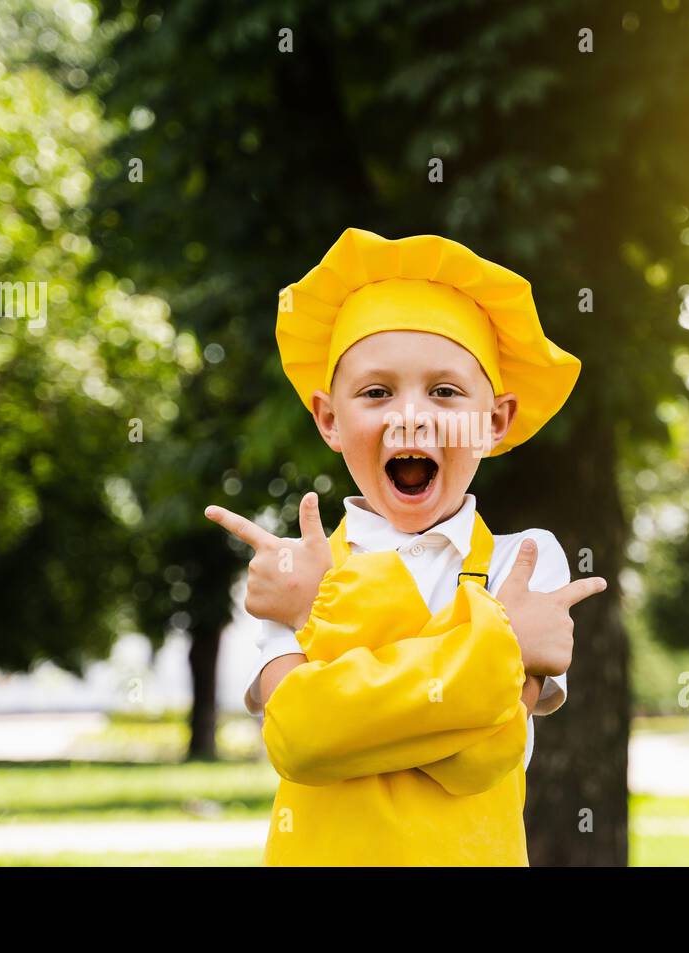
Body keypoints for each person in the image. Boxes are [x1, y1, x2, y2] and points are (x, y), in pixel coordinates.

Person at [206, 226, 606, 865]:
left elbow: (483, 757)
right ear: (329, 419)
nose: (411, 416)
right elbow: (303, 742)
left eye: (445, 392)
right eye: (376, 392)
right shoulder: (292, 572)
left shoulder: (526, 562)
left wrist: (322, 620)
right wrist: (496, 646)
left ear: (495, 420)